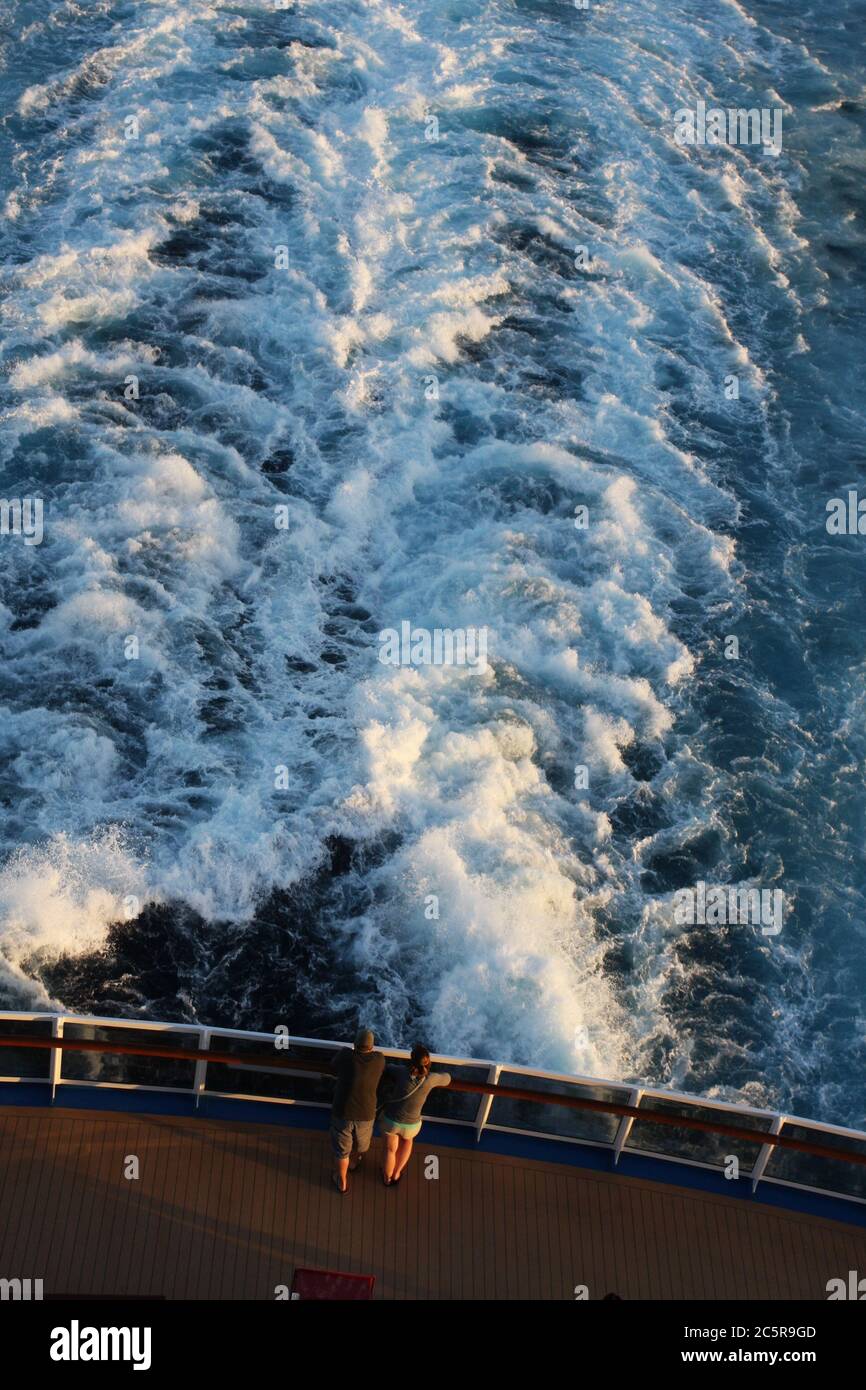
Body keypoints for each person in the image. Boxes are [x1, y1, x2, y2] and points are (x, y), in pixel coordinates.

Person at [379, 1044, 451, 1186]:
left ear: (411, 1061)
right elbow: (447, 1078)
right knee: (407, 1142)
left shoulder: (401, 1072)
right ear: (428, 1063)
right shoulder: (431, 1078)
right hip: (411, 1126)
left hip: (391, 1122)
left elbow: (387, 1068)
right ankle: (397, 1173)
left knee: (390, 1150)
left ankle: (386, 1178)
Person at [329, 1027, 385, 1194]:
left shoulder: (346, 1056)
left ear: (355, 1044)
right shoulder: (379, 1059)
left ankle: (342, 1180)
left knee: (341, 1151)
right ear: (372, 1047)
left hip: (342, 1111)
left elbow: (333, 1065)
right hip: (366, 1114)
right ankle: (354, 1162)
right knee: (361, 1145)